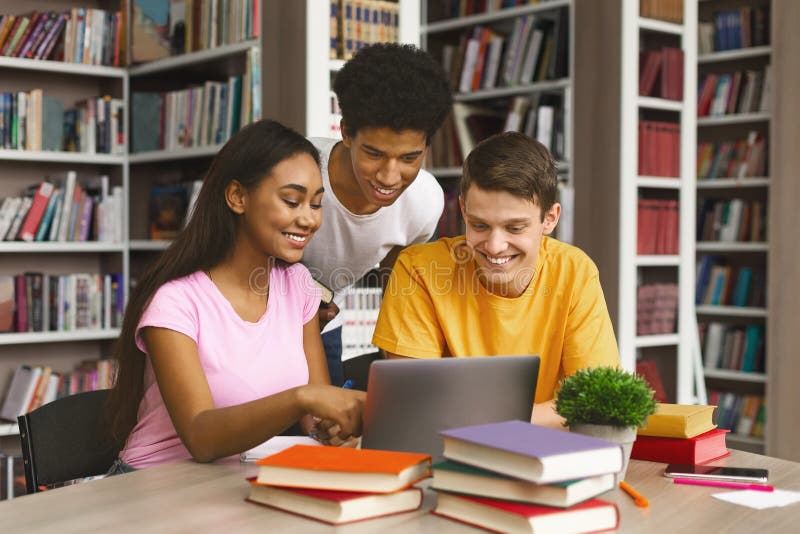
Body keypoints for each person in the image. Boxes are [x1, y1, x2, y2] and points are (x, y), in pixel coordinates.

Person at [104, 120, 365, 472]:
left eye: (316, 204)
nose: (308, 220)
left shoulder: (299, 285)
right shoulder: (176, 302)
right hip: (154, 483)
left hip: (233, 479)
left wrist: (336, 429)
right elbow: (201, 438)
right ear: (237, 197)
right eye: (292, 200)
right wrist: (302, 398)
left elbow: (315, 424)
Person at [371, 132, 620, 428]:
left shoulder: (575, 271)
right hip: (450, 453)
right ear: (463, 209)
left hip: (546, 454)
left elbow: (599, 401)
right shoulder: (419, 269)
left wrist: (483, 416)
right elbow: (415, 404)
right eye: (479, 225)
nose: (494, 245)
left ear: (550, 219)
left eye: (514, 228)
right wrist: (540, 416)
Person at [302, 43, 453, 386]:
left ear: (427, 147)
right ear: (345, 133)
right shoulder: (292, 168)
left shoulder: (425, 200)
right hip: (244, 327)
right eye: (373, 153)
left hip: (325, 328)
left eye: (409, 158)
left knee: (325, 435)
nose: (388, 176)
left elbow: (397, 290)